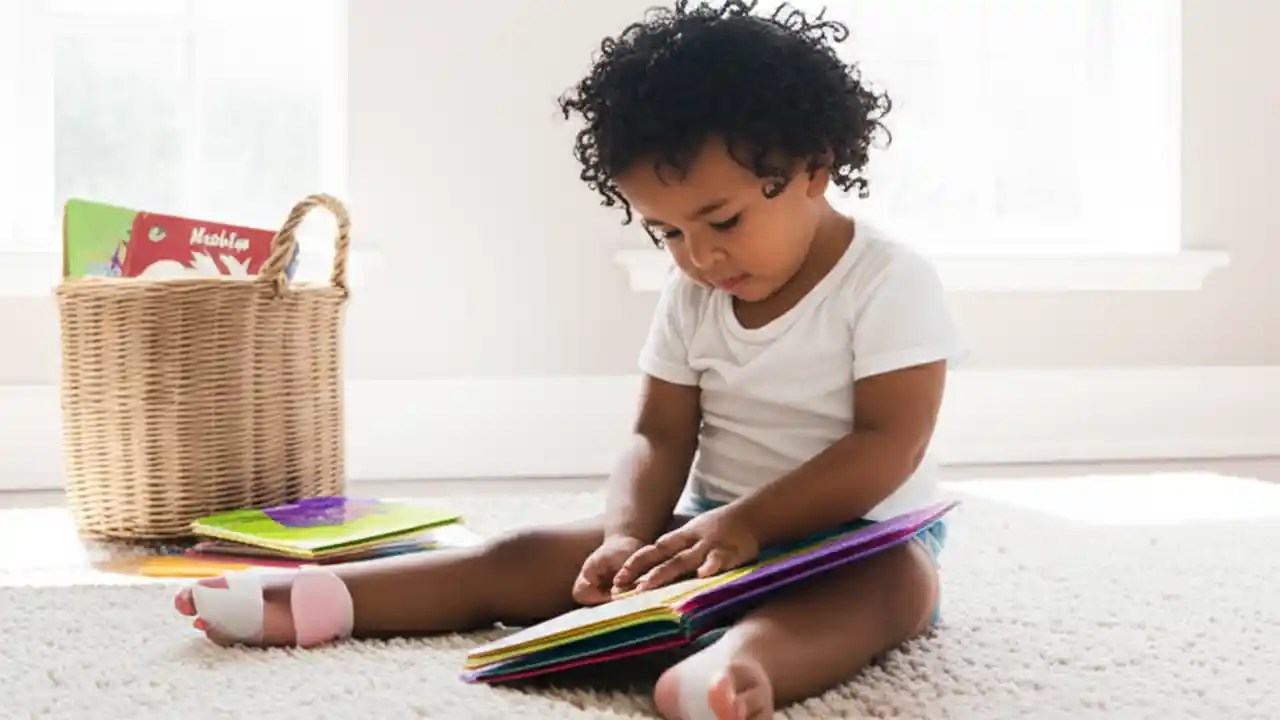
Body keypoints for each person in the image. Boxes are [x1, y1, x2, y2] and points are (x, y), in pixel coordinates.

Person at [175, 2, 968, 717]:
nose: (697, 255)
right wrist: (624, 537)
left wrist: (752, 524)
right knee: (522, 555)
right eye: (667, 233)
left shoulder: (888, 280)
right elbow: (658, 434)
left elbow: (886, 443)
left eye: (720, 220)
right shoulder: (696, 290)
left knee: (891, 589)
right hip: (701, 531)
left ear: (811, 168)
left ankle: (738, 666)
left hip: (855, 537)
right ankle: (323, 597)